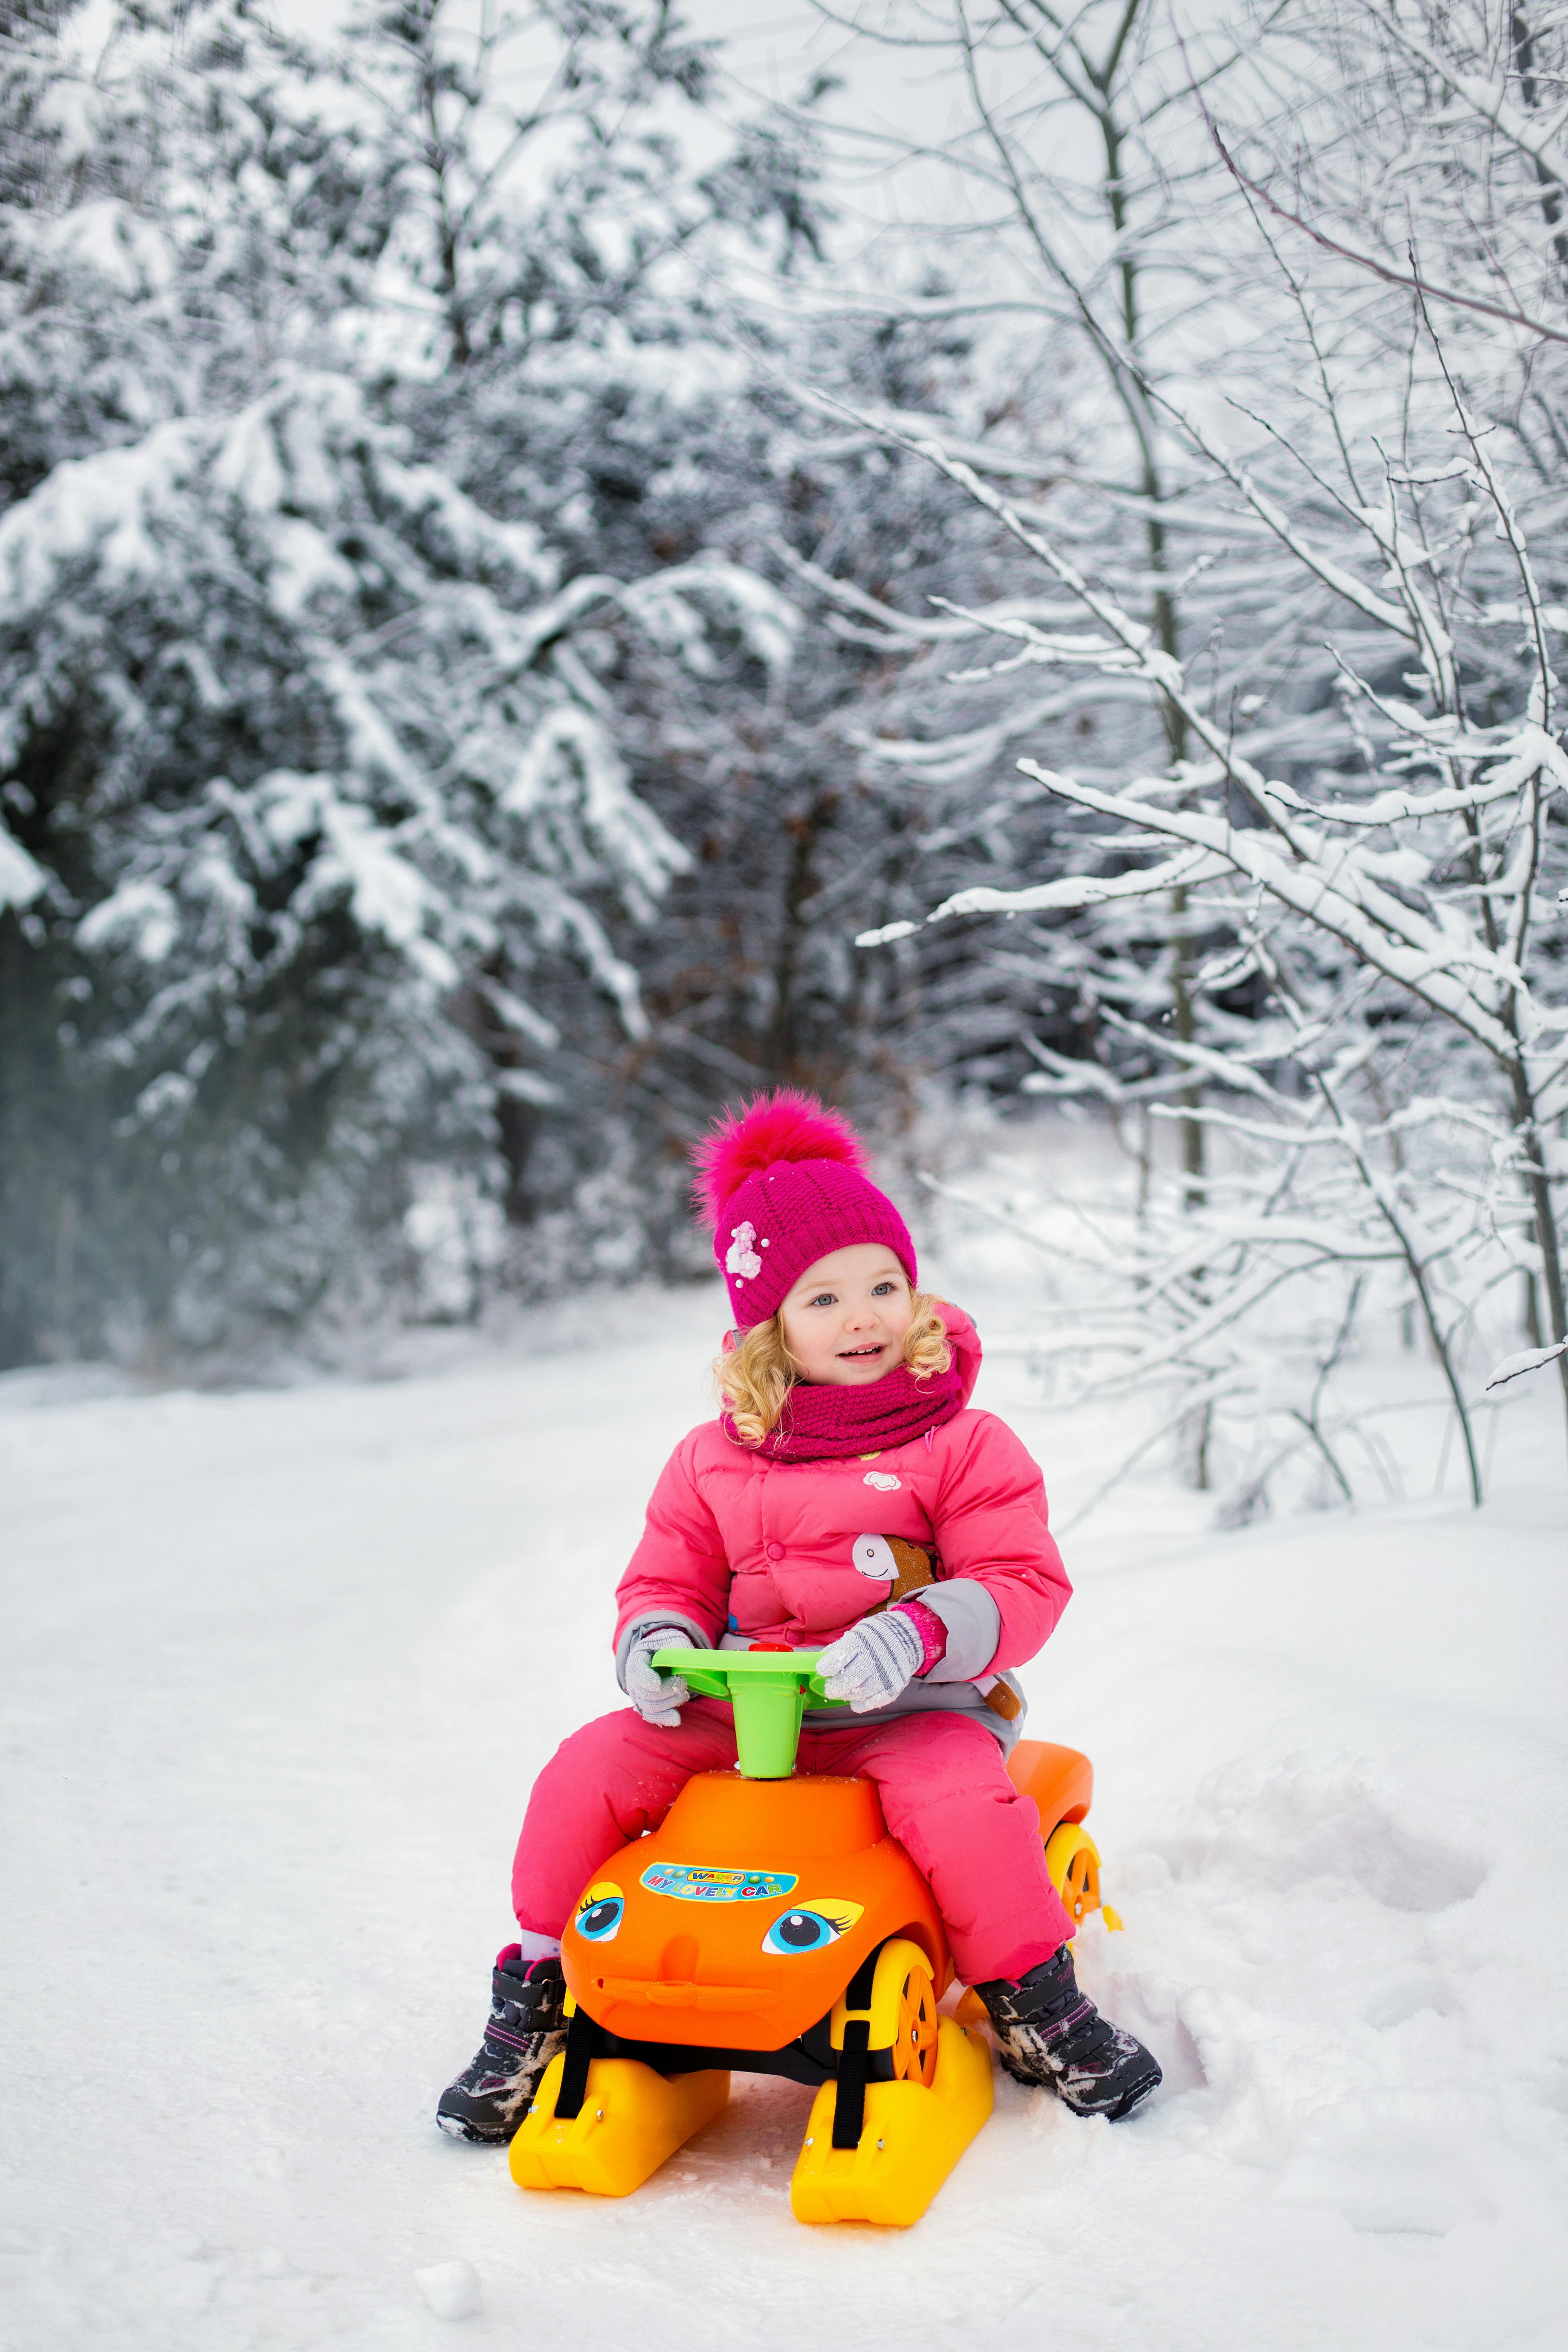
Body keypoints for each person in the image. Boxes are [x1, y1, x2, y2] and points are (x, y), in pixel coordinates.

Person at [437, 1091, 1160, 2142]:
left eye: (884, 1285)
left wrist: (918, 1631)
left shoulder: (962, 1442)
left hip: (912, 1708)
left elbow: (1022, 1580)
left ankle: (1037, 2001)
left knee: (966, 1807)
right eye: (823, 1300)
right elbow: (666, 1580)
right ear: (766, 1330)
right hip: (750, 1711)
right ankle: (543, 1987)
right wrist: (659, 1645)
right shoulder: (711, 1457)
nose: (865, 1315)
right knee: (583, 1771)